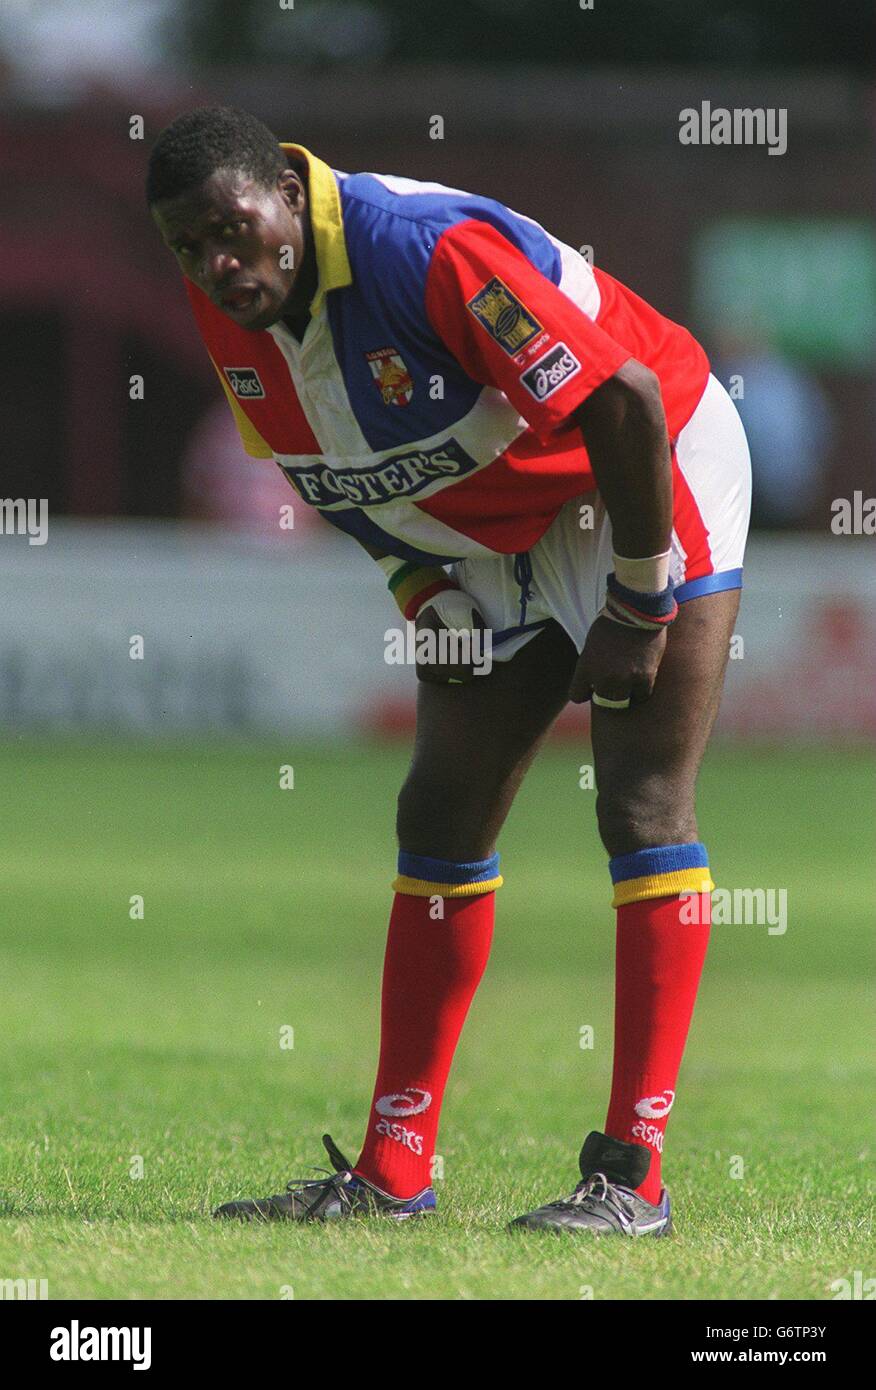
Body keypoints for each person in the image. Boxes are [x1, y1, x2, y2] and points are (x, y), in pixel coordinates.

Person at [147, 106, 751, 1236]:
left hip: (646, 469)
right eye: (188, 248)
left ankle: (634, 1177)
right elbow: (341, 485)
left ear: (287, 187)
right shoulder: (233, 312)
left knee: (640, 800)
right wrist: (424, 594)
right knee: (441, 802)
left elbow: (622, 399)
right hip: (492, 526)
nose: (216, 265)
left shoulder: (419, 249)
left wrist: (636, 594)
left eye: (230, 231)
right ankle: (393, 1168)